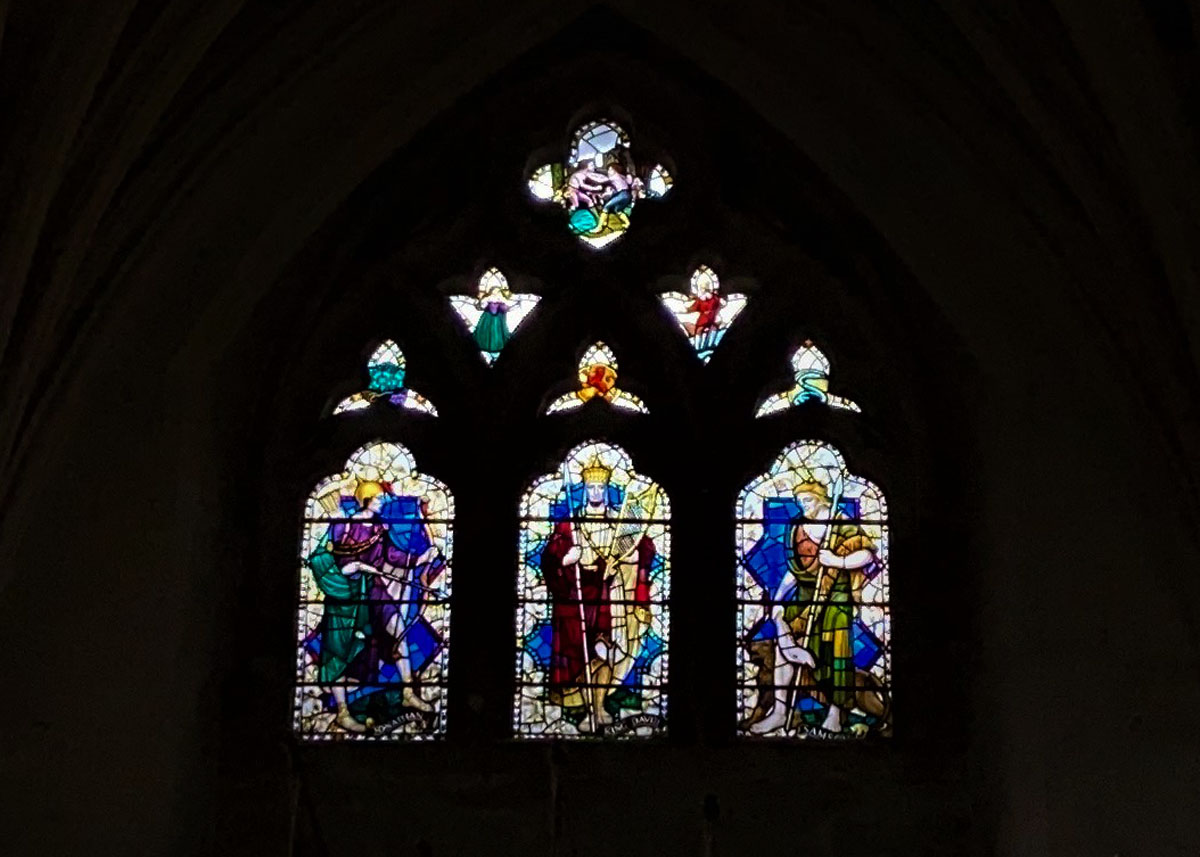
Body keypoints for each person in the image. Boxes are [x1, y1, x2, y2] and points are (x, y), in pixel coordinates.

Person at [307, 480, 442, 734]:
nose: (382, 502)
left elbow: (393, 556)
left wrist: (421, 558)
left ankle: (406, 692)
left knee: (398, 629)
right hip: (345, 597)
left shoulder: (380, 528)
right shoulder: (343, 527)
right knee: (340, 652)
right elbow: (319, 558)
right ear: (367, 500)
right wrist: (349, 569)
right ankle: (342, 712)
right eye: (378, 498)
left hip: (373, 589)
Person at [747, 480, 878, 735]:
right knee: (784, 646)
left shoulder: (840, 523)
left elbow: (867, 555)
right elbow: (794, 572)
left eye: (807, 500)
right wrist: (779, 599)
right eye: (800, 501)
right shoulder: (797, 527)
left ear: (821, 500)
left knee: (836, 653)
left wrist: (838, 561)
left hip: (836, 599)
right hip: (805, 595)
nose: (802, 505)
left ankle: (835, 714)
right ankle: (780, 712)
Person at [540, 458, 656, 731]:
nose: (595, 493)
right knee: (581, 655)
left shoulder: (620, 521)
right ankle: (587, 709)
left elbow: (643, 548)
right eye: (590, 488)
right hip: (577, 600)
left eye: (599, 488)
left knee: (607, 652)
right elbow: (550, 559)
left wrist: (628, 561)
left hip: (611, 594)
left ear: (605, 490)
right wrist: (568, 560)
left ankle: (600, 706)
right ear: (585, 489)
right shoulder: (571, 525)